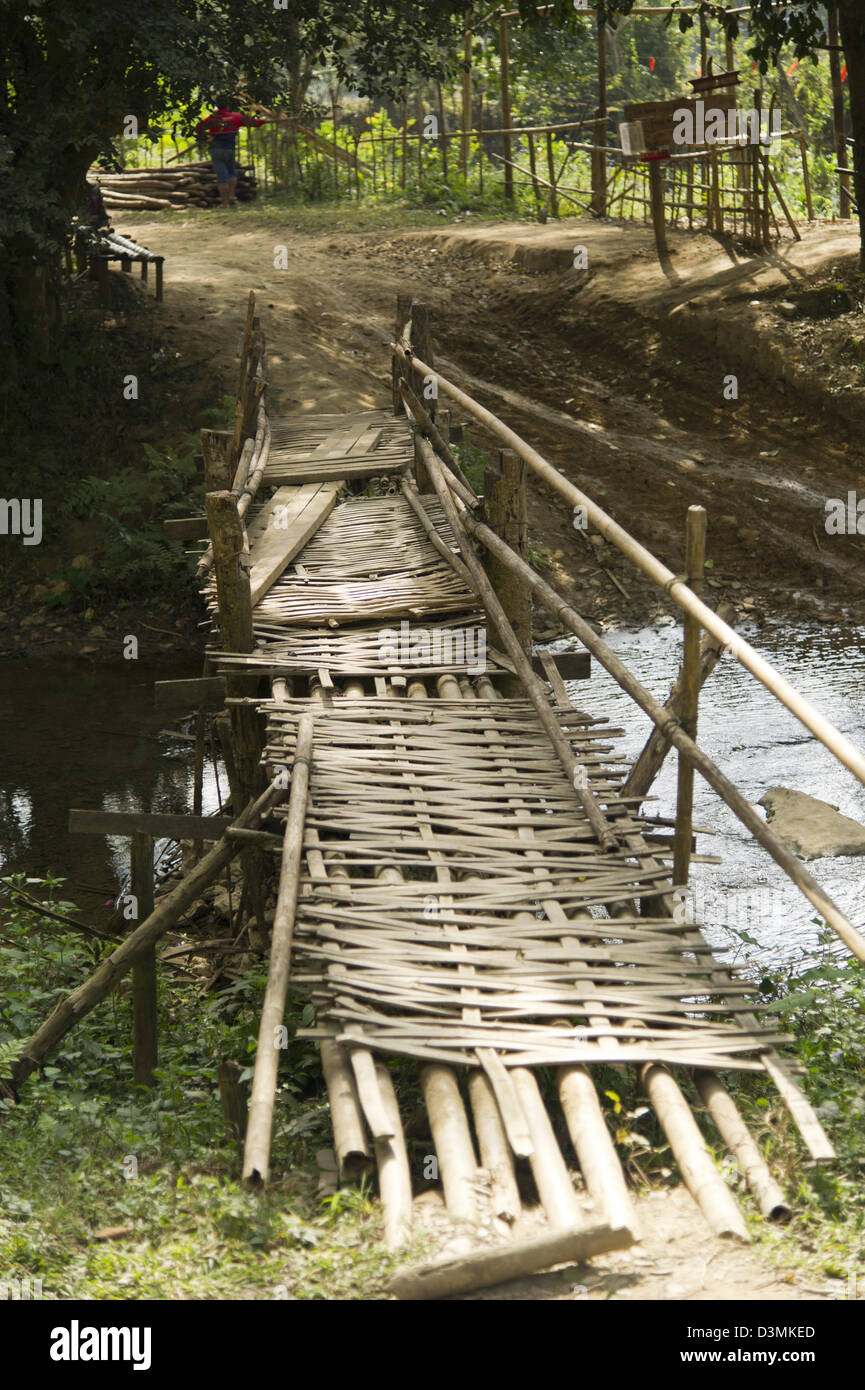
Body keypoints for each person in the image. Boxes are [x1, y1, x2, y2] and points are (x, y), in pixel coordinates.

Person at [195, 99, 265, 207]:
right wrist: (264, 120)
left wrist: (207, 136)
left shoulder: (212, 118)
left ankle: (225, 203)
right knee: (232, 172)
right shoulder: (235, 117)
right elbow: (256, 122)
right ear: (228, 106)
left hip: (216, 151)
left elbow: (198, 128)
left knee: (222, 176)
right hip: (230, 150)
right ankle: (231, 195)